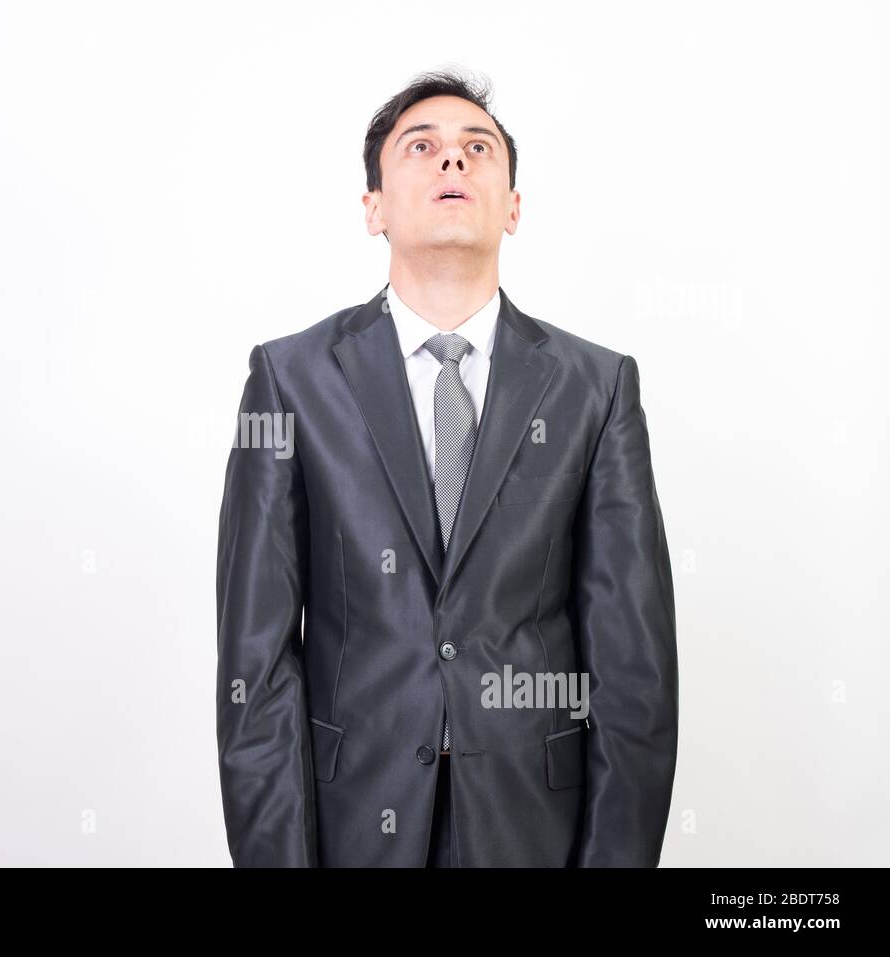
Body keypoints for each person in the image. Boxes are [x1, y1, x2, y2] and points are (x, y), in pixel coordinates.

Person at [215, 69, 678, 867]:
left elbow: (634, 671)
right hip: (351, 822)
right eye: (421, 147)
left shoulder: (597, 388)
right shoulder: (288, 379)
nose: (452, 162)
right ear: (374, 208)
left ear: (514, 206)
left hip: (534, 828)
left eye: (478, 149)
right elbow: (254, 668)